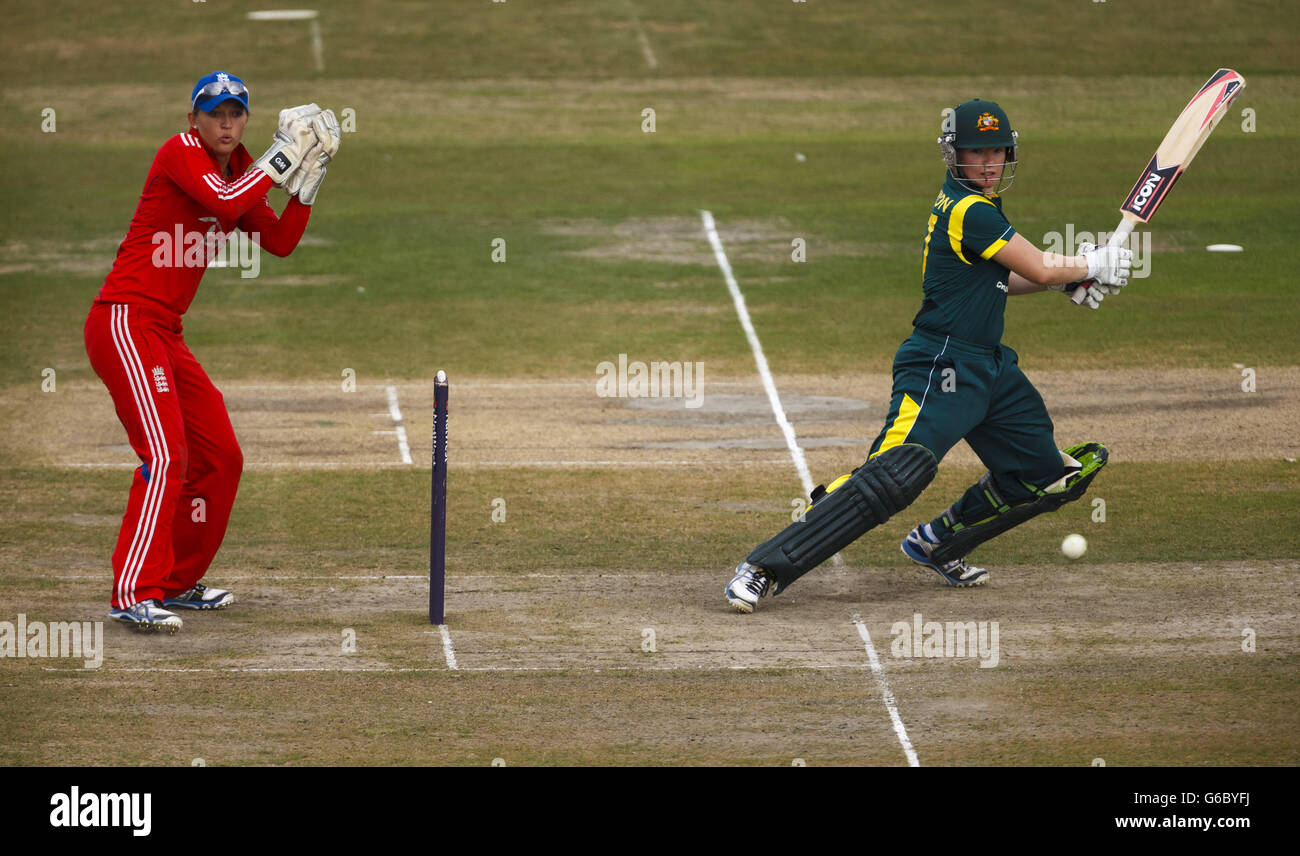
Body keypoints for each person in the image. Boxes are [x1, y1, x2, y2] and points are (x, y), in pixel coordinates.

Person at [725, 98, 1131, 613]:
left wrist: (1071, 279)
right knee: (896, 473)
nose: (988, 163)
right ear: (954, 155)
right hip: (942, 364)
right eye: (975, 152)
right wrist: (1089, 264)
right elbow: (1045, 266)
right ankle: (761, 568)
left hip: (990, 369)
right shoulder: (969, 210)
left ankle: (939, 541)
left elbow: (1001, 279)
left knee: (1045, 477)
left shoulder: (980, 209)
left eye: (996, 152)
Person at [84, 71, 340, 632]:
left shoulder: (238, 173)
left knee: (221, 456)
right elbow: (226, 196)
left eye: (235, 113)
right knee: (165, 455)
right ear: (194, 119)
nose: (225, 123)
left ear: (246, 118)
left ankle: (174, 582)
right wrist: (282, 156)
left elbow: (278, 241)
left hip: (165, 332)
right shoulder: (180, 152)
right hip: (125, 322)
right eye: (214, 113)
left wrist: (307, 181)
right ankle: (134, 590)